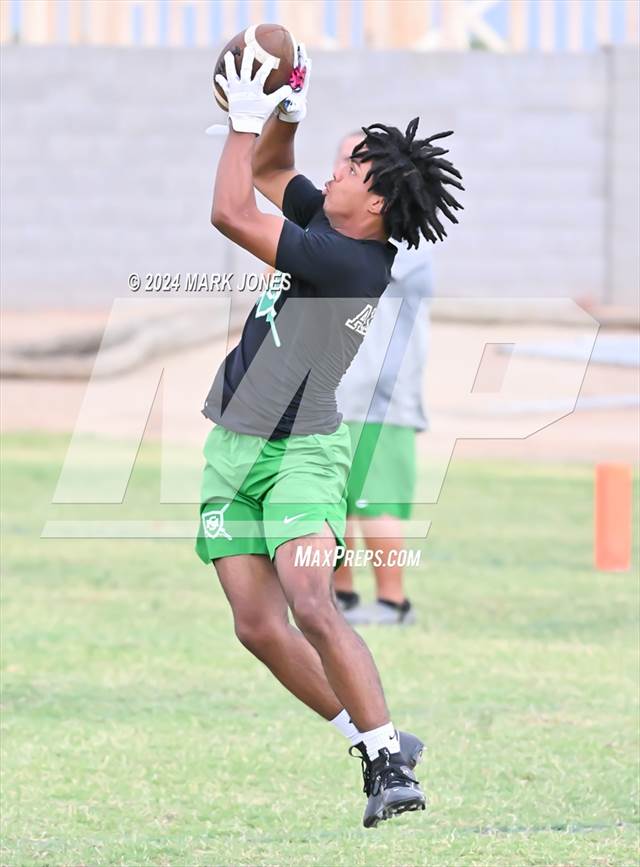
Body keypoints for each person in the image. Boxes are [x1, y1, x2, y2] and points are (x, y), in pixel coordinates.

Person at [196, 43, 463, 827]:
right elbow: (276, 170)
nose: (334, 172)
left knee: (311, 597)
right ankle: (378, 739)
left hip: (304, 450)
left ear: (375, 203)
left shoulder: (353, 262)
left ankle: (387, 764)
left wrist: (240, 120)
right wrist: (286, 108)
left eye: (349, 167)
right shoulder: (326, 220)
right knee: (255, 625)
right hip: (234, 443)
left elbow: (233, 207)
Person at [333, 133, 432, 626]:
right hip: (333, 395)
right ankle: (341, 594)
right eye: (346, 160)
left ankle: (394, 603)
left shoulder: (401, 239)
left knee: (375, 499)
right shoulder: (335, 228)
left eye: (358, 164)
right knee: (331, 500)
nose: (343, 169)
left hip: (379, 397)